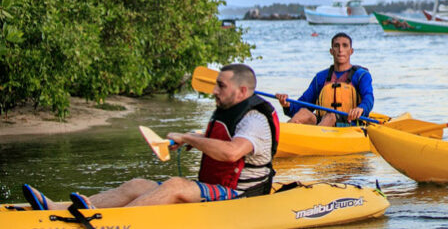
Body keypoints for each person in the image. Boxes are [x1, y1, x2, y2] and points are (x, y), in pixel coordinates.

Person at [22, 64, 279, 210]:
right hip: (220, 189)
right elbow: (222, 140)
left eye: (221, 86)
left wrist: (189, 138)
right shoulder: (232, 109)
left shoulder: (255, 119)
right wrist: (192, 138)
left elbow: (232, 152)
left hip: (242, 197)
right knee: (136, 185)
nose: (213, 90)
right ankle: (59, 208)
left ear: (242, 90)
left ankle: (112, 221)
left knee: (175, 185)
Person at [276, 33, 374, 127]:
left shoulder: (361, 75)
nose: (340, 50)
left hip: (350, 123)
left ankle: (312, 139)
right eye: (336, 46)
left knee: (330, 116)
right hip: (323, 123)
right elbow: (303, 103)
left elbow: (368, 97)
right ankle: (281, 137)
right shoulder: (321, 77)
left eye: (345, 46)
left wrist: (361, 108)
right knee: (303, 113)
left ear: (351, 51)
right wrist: (287, 104)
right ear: (331, 51)